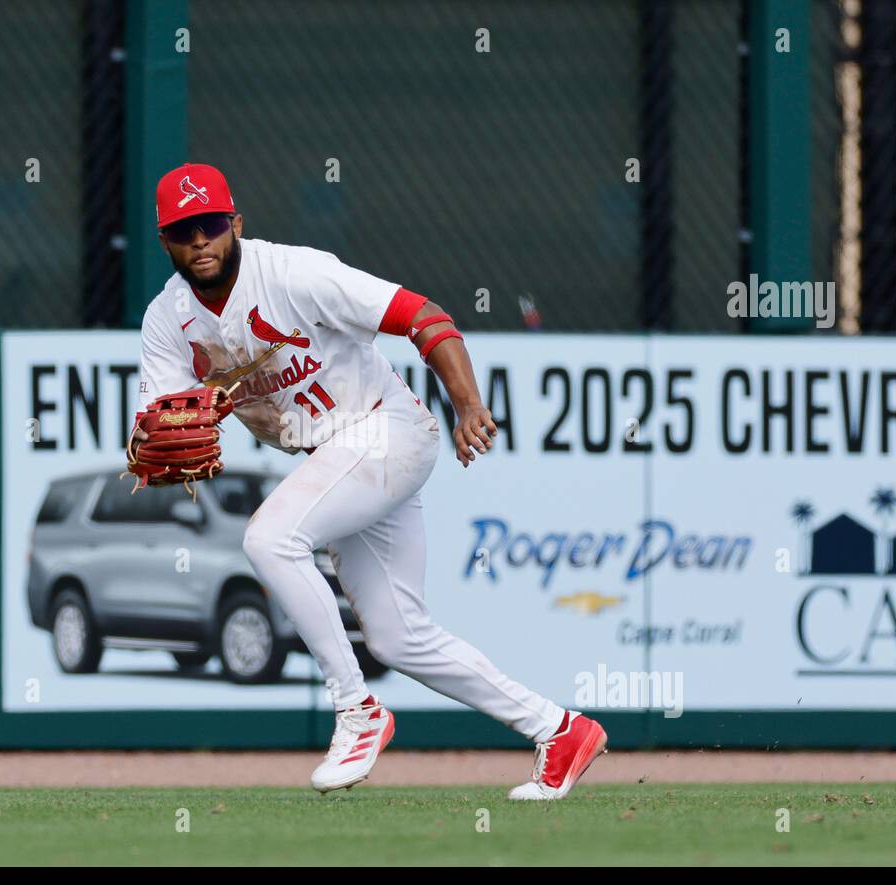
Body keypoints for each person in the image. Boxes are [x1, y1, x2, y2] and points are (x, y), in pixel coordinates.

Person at [132, 163, 607, 799]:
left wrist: (466, 403)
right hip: (335, 458)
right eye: (183, 229)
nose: (201, 240)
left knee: (270, 540)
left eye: (212, 224)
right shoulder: (166, 321)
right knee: (397, 636)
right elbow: (156, 429)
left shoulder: (295, 273)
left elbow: (424, 316)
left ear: (236, 223)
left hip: (388, 432)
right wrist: (148, 443)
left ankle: (357, 710)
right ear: (164, 240)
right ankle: (560, 729)